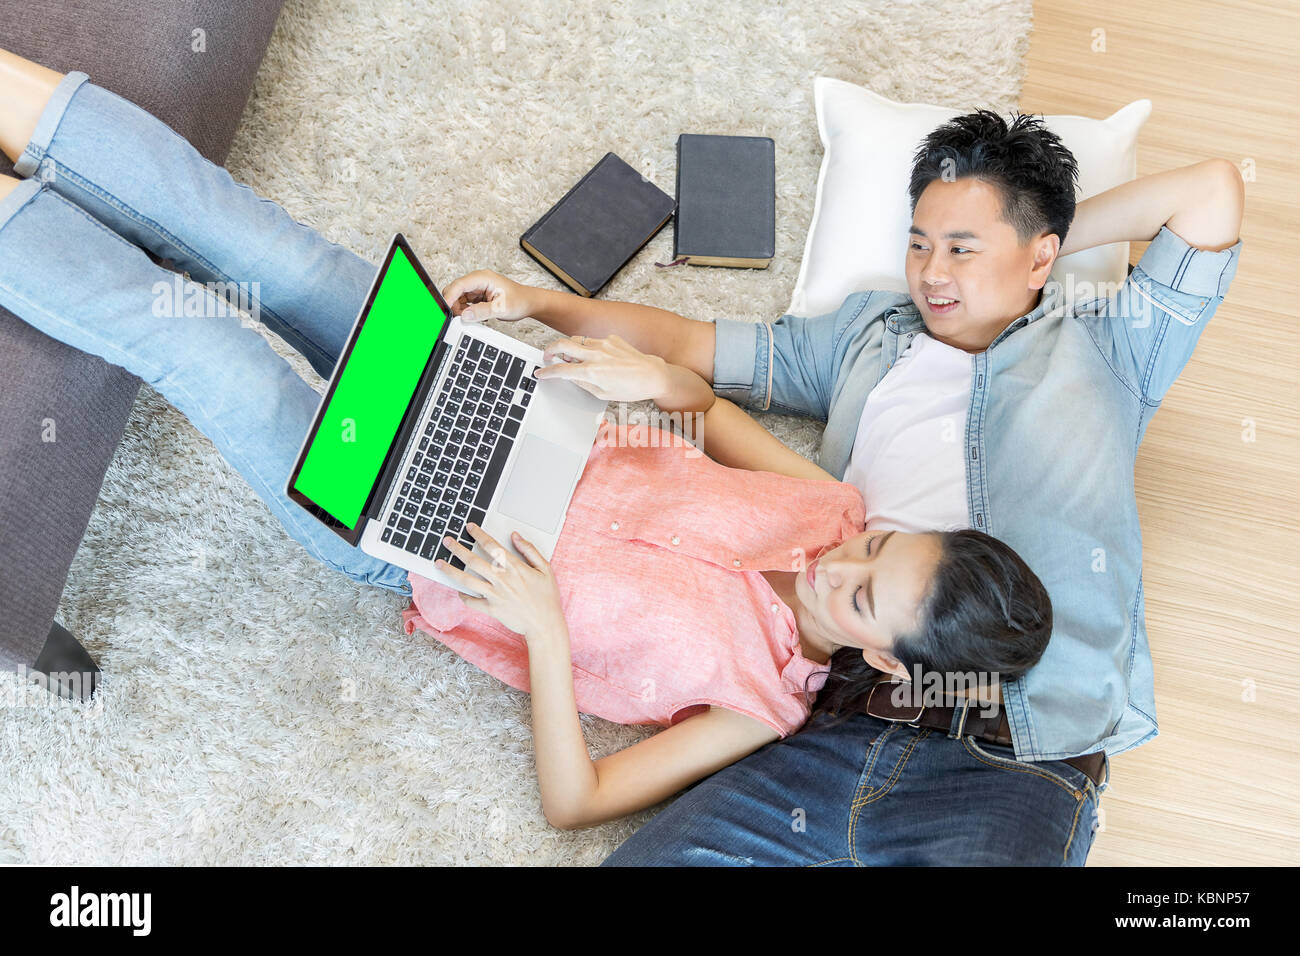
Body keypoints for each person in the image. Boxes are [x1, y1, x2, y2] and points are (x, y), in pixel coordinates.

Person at [0, 56, 1051, 831]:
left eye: (861, 593)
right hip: (498, 398)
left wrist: (543, 630)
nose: (839, 558)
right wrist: (646, 374)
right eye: (879, 546)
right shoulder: (832, 508)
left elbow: (575, 800)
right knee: (254, 240)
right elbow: (709, 411)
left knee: (209, 345)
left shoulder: (756, 706)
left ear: (879, 657)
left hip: (421, 536)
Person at [443, 111, 1245, 864]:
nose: (932, 273)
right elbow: (694, 344)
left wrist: (1045, 242)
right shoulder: (868, 335)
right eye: (919, 243)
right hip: (836, 727)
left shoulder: (1105, 349)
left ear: (1042, 253)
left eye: (963, 249)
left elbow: (1211, 192)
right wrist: (541, 304)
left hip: (1014, 758)